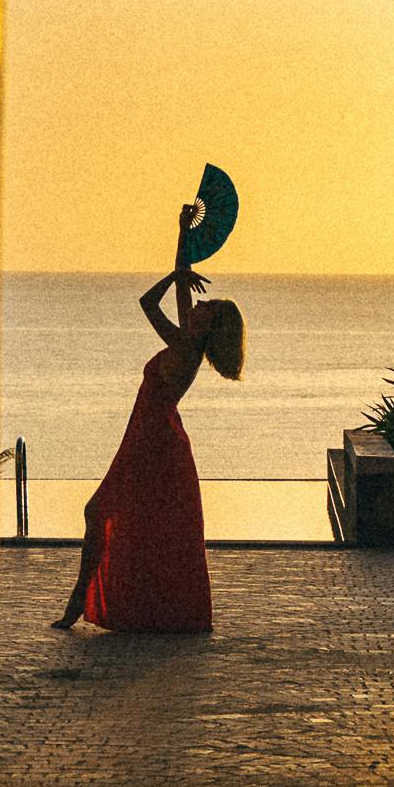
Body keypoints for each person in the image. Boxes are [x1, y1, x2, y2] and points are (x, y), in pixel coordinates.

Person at [51, 206, 245, 632]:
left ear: (207, 328)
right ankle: (81, 607)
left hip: (152, 443)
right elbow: (178, 280)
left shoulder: (183, 348)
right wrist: (181, 232)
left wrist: (175, 277)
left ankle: (74, 608)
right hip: (152, 439)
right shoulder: (184, 342)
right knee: (126, 522)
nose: (197, 304)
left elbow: (147, 301)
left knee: (98, 511)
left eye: (205, 307)